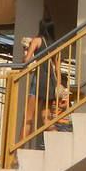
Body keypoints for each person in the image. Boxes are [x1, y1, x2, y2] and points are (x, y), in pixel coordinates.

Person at [19, 16, 59, 148]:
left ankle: (17, 152)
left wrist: (25, 52)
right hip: (51, 83)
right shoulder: (56, 45)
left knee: (28, 118)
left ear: (41, 28)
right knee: (46, 117)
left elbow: (27, 60)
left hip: (38, 81)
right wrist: (58, 85)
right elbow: (57, 69)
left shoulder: (37, 40)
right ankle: (59, 144)